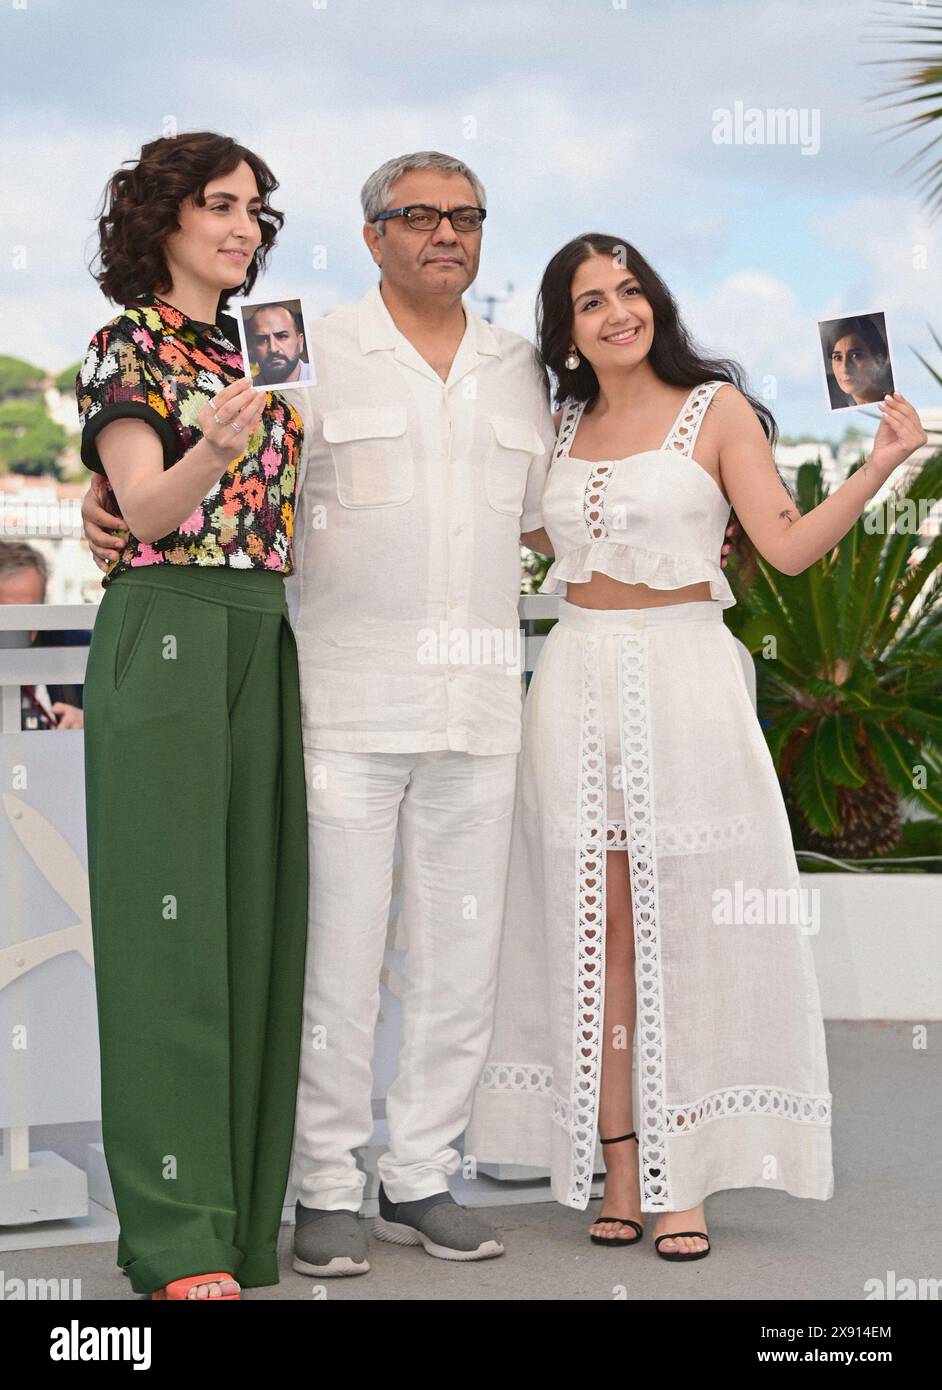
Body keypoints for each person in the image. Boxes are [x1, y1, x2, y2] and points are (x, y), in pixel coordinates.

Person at [465, 233, 927, 1261]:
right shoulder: (560, 422)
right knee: (604, 937)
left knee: (692, 927)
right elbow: (512, 526)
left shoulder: (714, 411)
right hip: (576, 680)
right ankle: (619, 1168)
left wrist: (883, 462)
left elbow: (791, 544)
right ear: (568, 332)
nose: (616, 310)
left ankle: (687, 1178)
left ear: (654, 303)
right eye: (590, 301)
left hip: (684, 677)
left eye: (629, 290)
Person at [75, 131, 308, 1299]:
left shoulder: (268, 348)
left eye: (256, 209)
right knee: (168, 944)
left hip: (263, 633)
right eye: (219, 204)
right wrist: (214, 441)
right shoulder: (127, 347)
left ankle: (240, 1225)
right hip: (164, 630)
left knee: (257, 929)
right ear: (162, 217)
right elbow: (146, 507)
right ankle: (176, 1238)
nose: (243, 226)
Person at [0, 541, 88, 730]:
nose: (20, 629)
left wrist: (90, 723)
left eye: (31, 614)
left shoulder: (77, 649)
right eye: (8, 615)